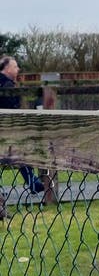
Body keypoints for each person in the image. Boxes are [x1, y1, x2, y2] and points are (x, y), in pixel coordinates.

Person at [0, 55, 44, 194]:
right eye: (15, 66)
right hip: (9, 127)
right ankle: (34, 183)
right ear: (7, 68)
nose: (18, 69)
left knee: (19, 154)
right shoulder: (7, 85)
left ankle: (33, 183)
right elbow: (11, 107)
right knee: (21, 153)